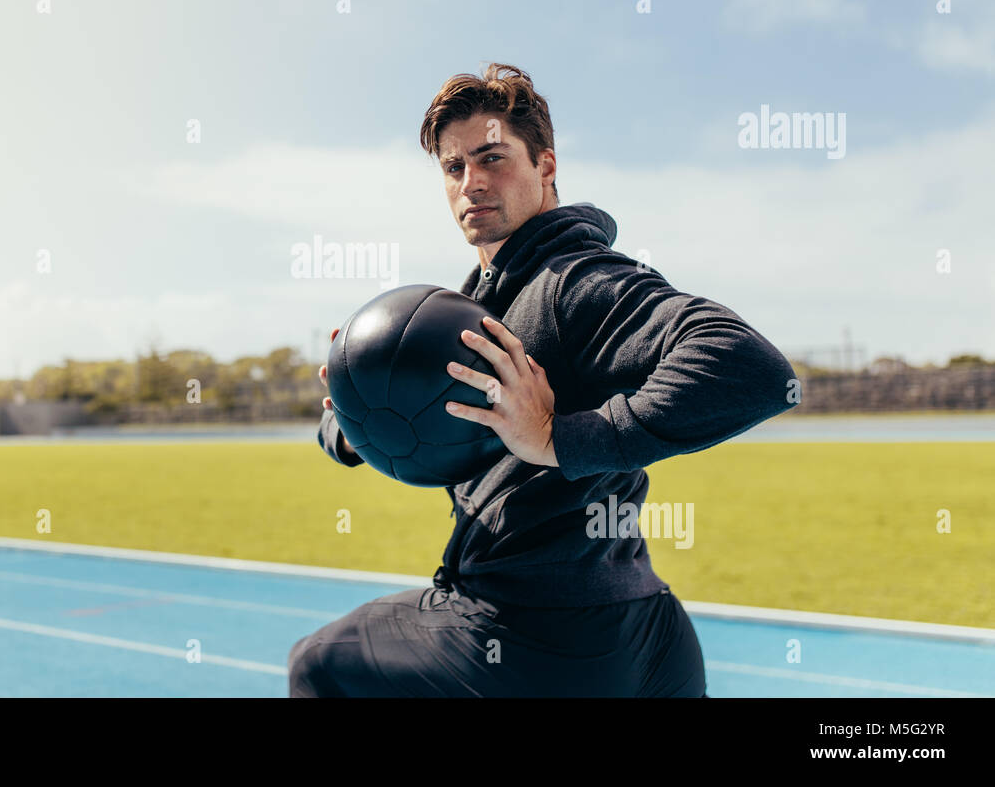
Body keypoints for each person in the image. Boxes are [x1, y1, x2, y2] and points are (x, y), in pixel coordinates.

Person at [288, 63, 797, 697]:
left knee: (319, 665)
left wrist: (558, 438)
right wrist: (351, 416)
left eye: (492, 158)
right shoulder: (478, 307)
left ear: (546, 166)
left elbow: (752, 367)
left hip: (537, 637)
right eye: (454, 168)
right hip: (648, 635)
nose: (472, 183)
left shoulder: (574, 280)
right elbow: (424, 432)